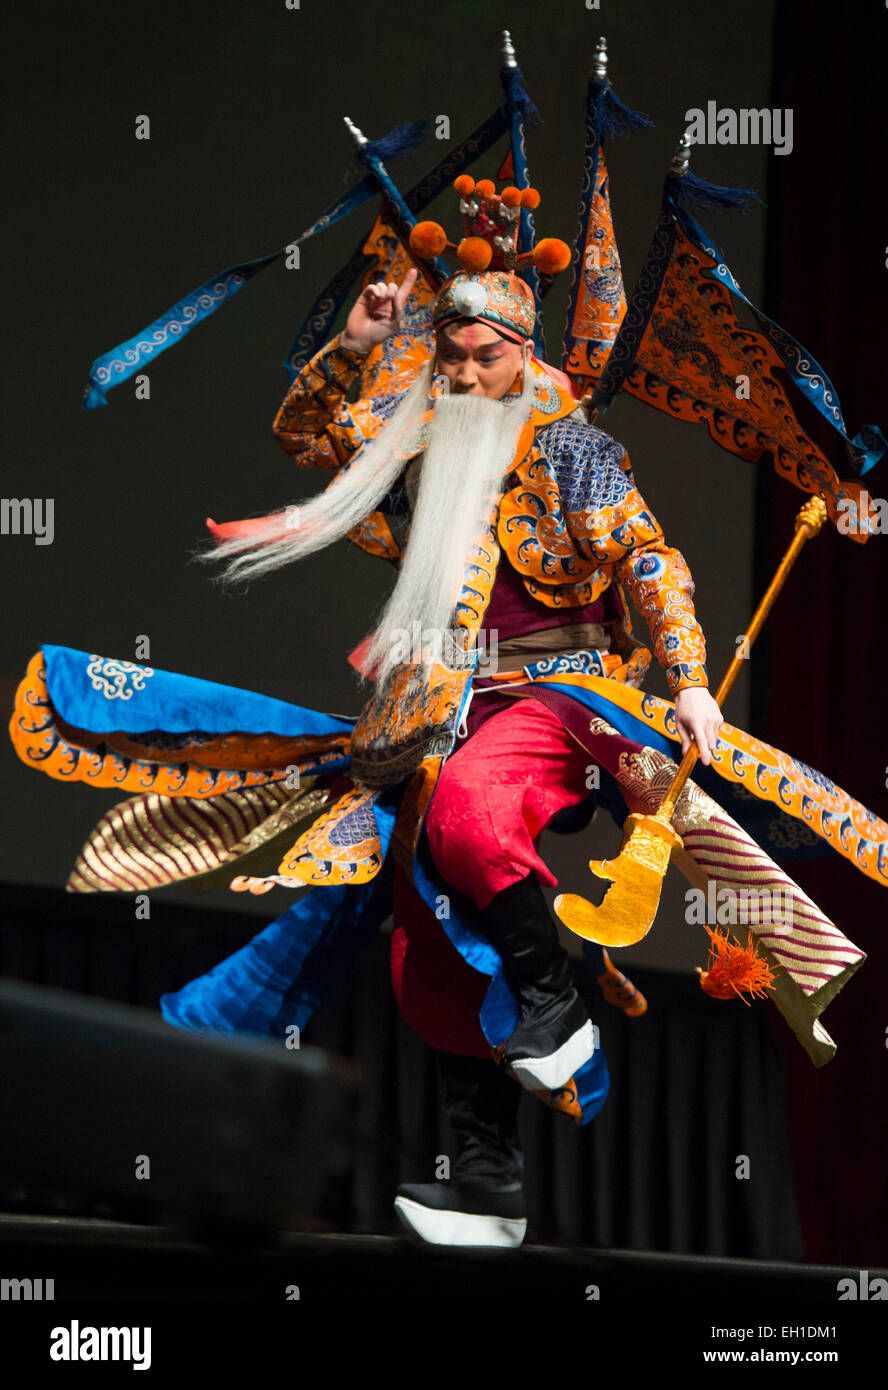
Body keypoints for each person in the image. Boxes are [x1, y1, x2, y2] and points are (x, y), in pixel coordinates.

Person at [9, 178, 871, 1251]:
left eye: (486, 358)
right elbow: (310, 436)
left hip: (566, 698)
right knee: (427, 933)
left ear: (525, 352)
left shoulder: (574, 447)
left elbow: (650, 555)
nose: (464, 374)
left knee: (471, 811)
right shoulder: (422, 418)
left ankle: (553, 1004)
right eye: (453, 355)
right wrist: (358, 336)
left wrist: (690, 678)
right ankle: (488, 1181)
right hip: (442, 702)